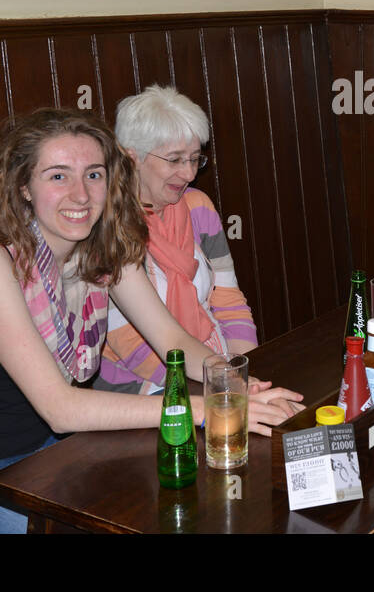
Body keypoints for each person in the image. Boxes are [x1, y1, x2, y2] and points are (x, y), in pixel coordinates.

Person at [0, 108, 303, 533]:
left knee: (182, 504)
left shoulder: (103, 249)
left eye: (93, 175)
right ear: (23, 186)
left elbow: (171, 336)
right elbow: (61, 409)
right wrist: (207, 408)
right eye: (58, 176)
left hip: (46, 456)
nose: (81, 195)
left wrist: (234, 384)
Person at [95, 85, 256, 395]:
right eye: (174, 160)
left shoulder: (199, 207)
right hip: (134, 386)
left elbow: (228, 300)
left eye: (195, 159)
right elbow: (127, 341)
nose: (189, 174)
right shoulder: (107, 225)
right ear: (132, 158)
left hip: (211, 366)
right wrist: (216, 388)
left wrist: (244, 367)